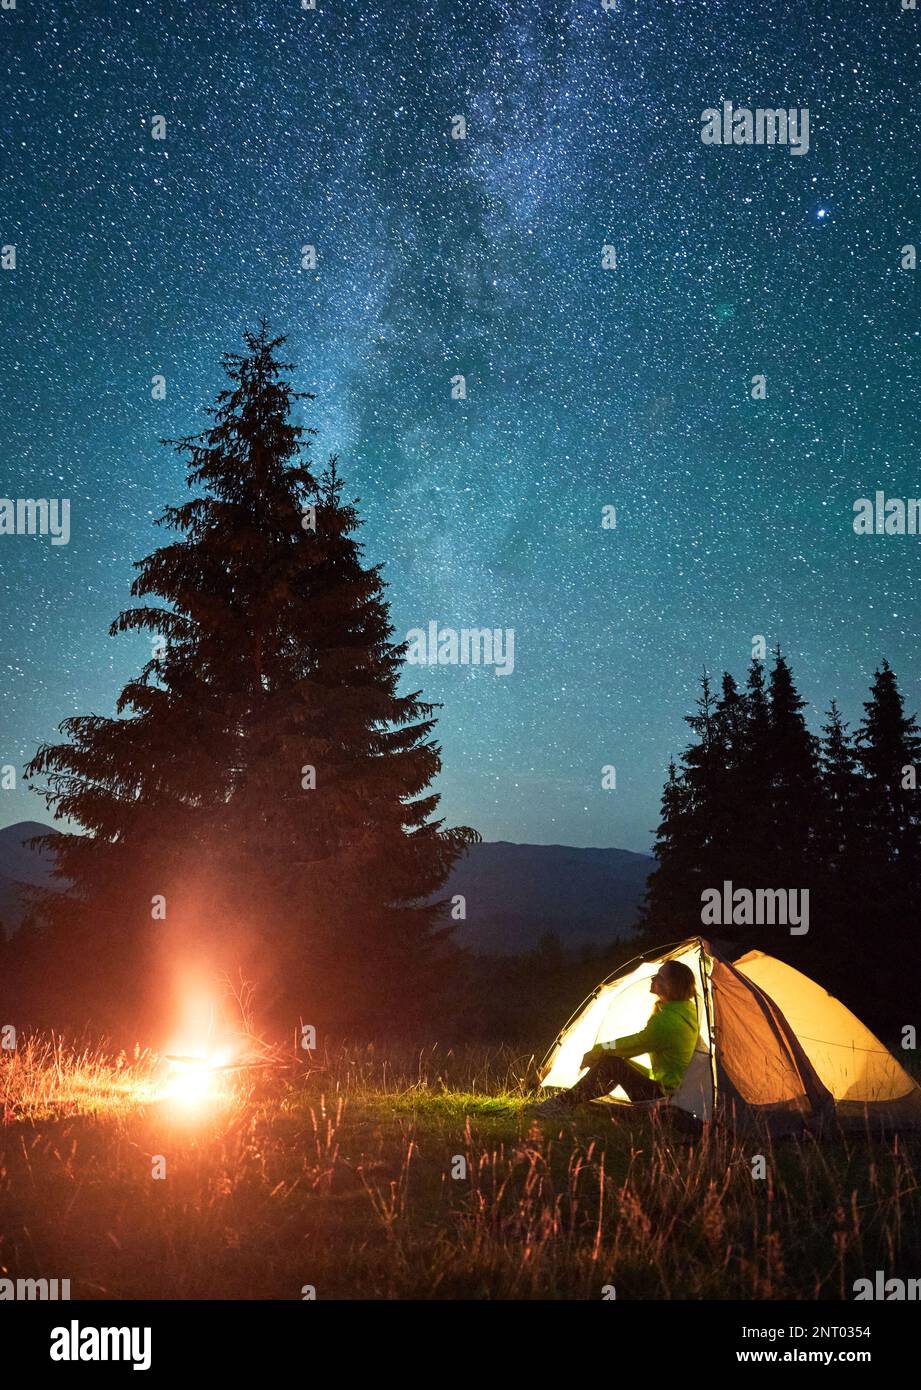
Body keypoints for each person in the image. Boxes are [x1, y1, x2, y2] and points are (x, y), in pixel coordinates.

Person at [534, 959, 700, 1118]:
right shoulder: (686, 1011)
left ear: (672, 986)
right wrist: (606, 1050)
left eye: (659, 977)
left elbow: (633, 1043)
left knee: (611, 1064)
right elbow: (630, 1045)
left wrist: (599, 1049)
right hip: (674, 1089)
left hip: (662, 1096)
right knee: (614, 1062)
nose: (653, 978)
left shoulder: (667, 1021)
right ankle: (570, 1101)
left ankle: (562, 1103)